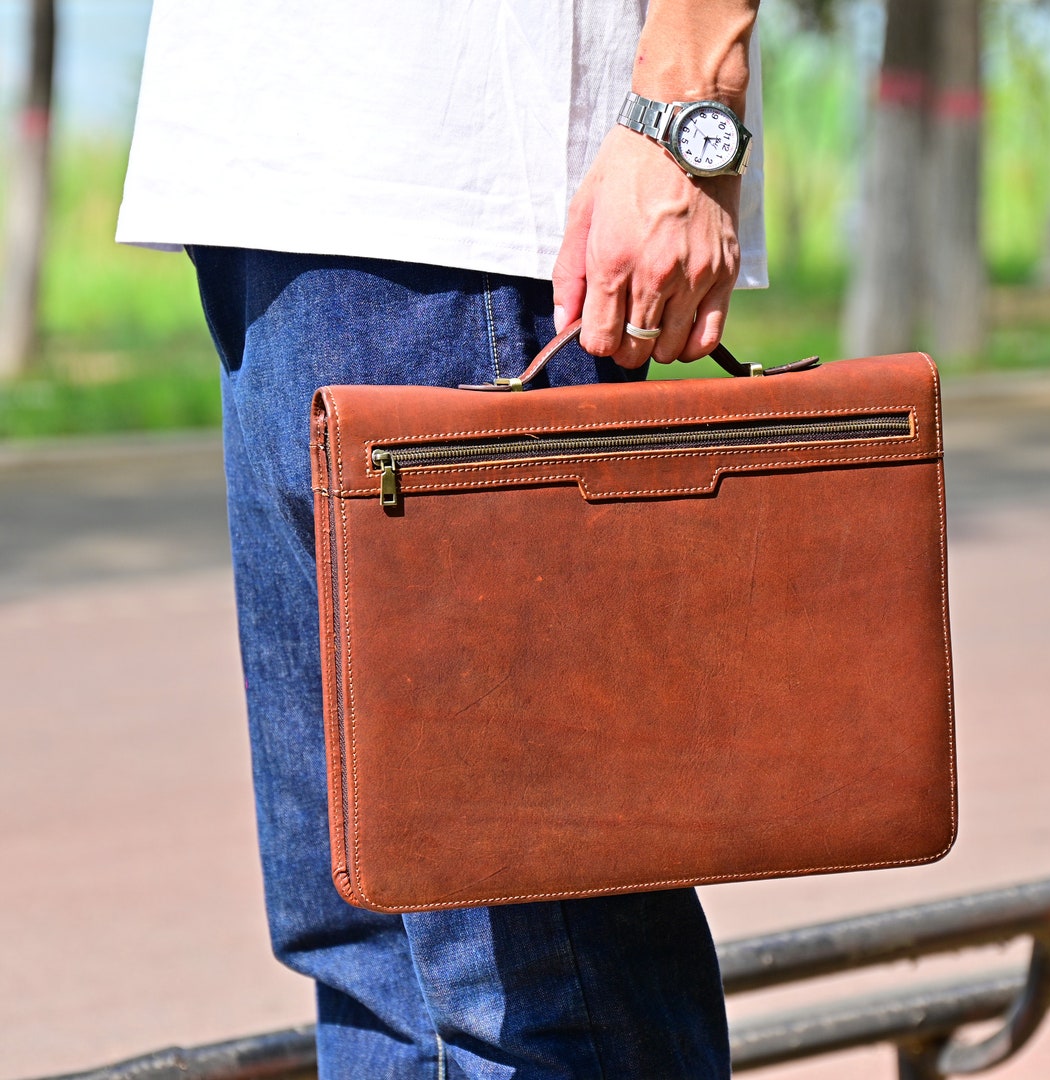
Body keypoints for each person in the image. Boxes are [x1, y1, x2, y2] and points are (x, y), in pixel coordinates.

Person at [118, 2, 765, 1076]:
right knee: (372, 964)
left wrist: (687, 99)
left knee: (546, 988)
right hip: (270, 189)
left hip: (474, 202)